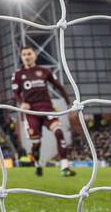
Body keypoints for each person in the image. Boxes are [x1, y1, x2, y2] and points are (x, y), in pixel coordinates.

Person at [12, 44, 76, 177]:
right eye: (24, 55)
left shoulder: (44, 71)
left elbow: (59, 87)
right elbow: (16, 92)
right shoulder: (18, 74)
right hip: (31, 112)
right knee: (36, 143)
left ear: (34, 55)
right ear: (21, 57)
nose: (27, 57)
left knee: (58, 132)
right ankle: (37, 164)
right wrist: (22, 103)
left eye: (29, 54)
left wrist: (69, 104)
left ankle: (64, 167)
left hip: (47, 108)